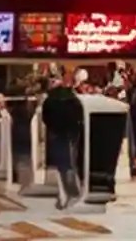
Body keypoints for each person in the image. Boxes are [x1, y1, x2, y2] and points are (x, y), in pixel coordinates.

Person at [41, 70, 84, 209]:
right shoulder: (73, 99)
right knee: (71, 161)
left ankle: (64, 193)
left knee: (61, 164)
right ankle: (73, 190)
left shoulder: (50, 99)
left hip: (56, 133)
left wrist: (52, 127)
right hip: (70, 133)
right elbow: (79, 115)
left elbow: (45, 117)